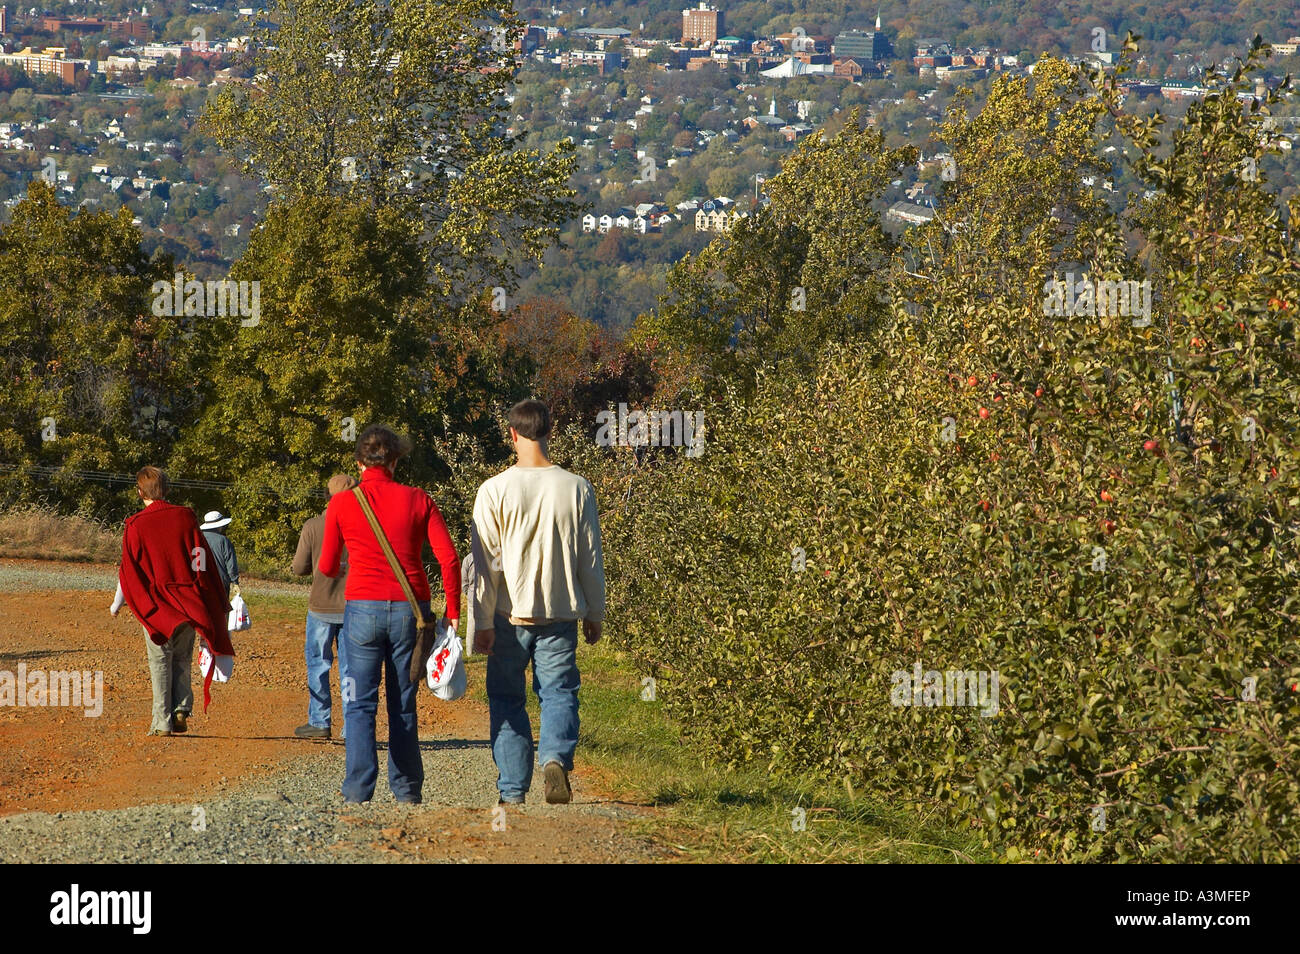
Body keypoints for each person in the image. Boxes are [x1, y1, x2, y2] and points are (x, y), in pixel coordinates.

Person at [471, 399, 606, 806]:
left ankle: (512, 791)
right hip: (561, 612)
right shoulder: (577, 488)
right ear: (551, 430)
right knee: (559, 692)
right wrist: (595, 612)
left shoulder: (494, 490)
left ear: (511, 434)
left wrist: (481, 622)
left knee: (507, 698)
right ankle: (554, 760)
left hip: (508, 615)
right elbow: (589, 557)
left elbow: (485, 564)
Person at [319, 425, 461, 804]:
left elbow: (328, 566)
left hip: (362, 610)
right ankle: (407, 792)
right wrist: (454, 610)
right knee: (403, 703)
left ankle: (357, 791)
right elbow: (448, 558)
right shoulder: (419, 499)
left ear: (359, 461)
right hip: (410, 613)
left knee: (359, 702)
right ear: (395, 459)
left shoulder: (342, 503)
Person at [116, 466, 235, 736]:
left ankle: (161, 721)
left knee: (159, 662)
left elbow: (130, 571)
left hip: (157, 606)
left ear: (139, 491)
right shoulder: (185, 517)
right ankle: (182, 707)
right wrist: (204, 596)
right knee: (182, 658)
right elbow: (200, 559)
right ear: (166, 490)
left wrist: (142, 605)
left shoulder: (136, 525)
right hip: (187, 601)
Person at [292, 474, 357, 740]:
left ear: (327, 497)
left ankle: (319, 720)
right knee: (351, 669)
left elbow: (299, 568)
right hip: (355, 606)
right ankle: (352, 725)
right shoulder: (364, 526)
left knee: (318, 664)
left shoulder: (313, 525)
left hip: (320, 606)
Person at [199, 510, 240, 594]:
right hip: (220, 581)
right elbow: (231, 563)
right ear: (219, 526)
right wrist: (235, 582)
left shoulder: (198, 538)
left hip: (202, 581)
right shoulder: (223, 540)